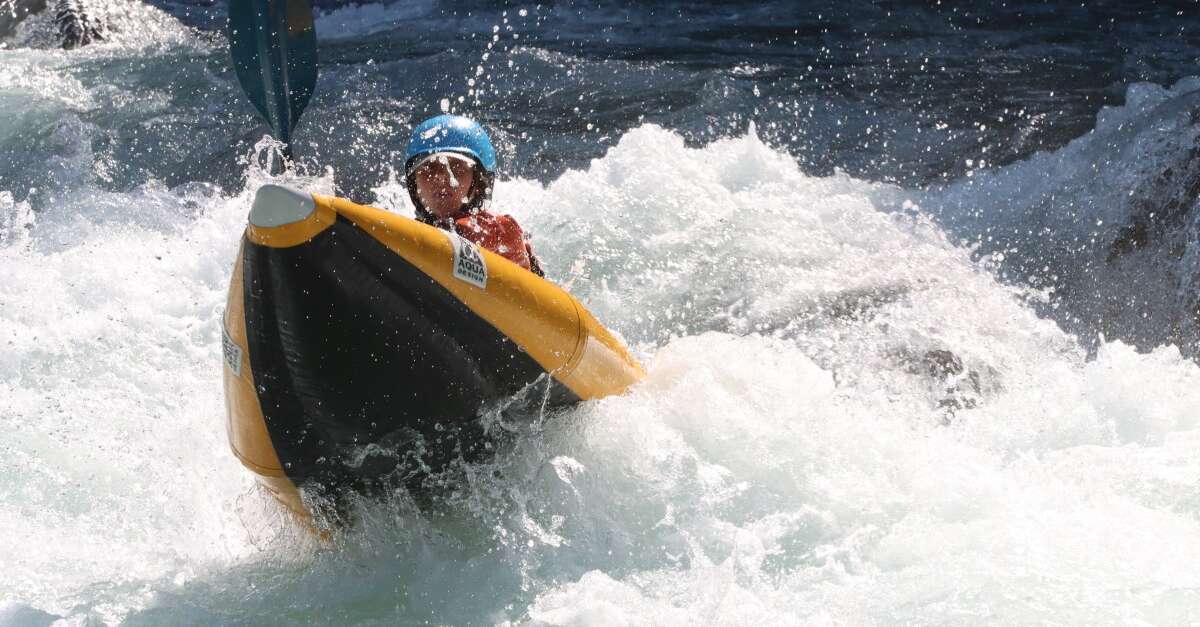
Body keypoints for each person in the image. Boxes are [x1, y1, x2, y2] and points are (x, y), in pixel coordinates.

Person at [404, 114, 544, 276]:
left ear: (478, 183)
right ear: (414, 184)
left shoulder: (500, 231)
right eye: (429, 168)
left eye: (456, 167)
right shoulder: (406, 233)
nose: (442, 177)